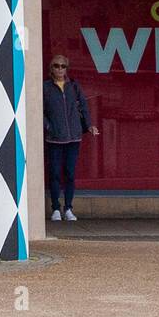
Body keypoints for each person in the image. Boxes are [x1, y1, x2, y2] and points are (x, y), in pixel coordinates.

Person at [43, 54, 98, 222]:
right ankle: (55, 209)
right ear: (51, 68)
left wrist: (89, 125)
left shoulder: (73, 86)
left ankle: (68, 207)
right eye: (56, 66)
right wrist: (48, 126)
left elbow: (84, 107)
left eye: (63, 66)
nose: (60, 69)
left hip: (73, 137)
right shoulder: (45, 87)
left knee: (70, 174)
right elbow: (40, 109)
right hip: (55, 138)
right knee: (54, 174)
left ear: (67, 68)